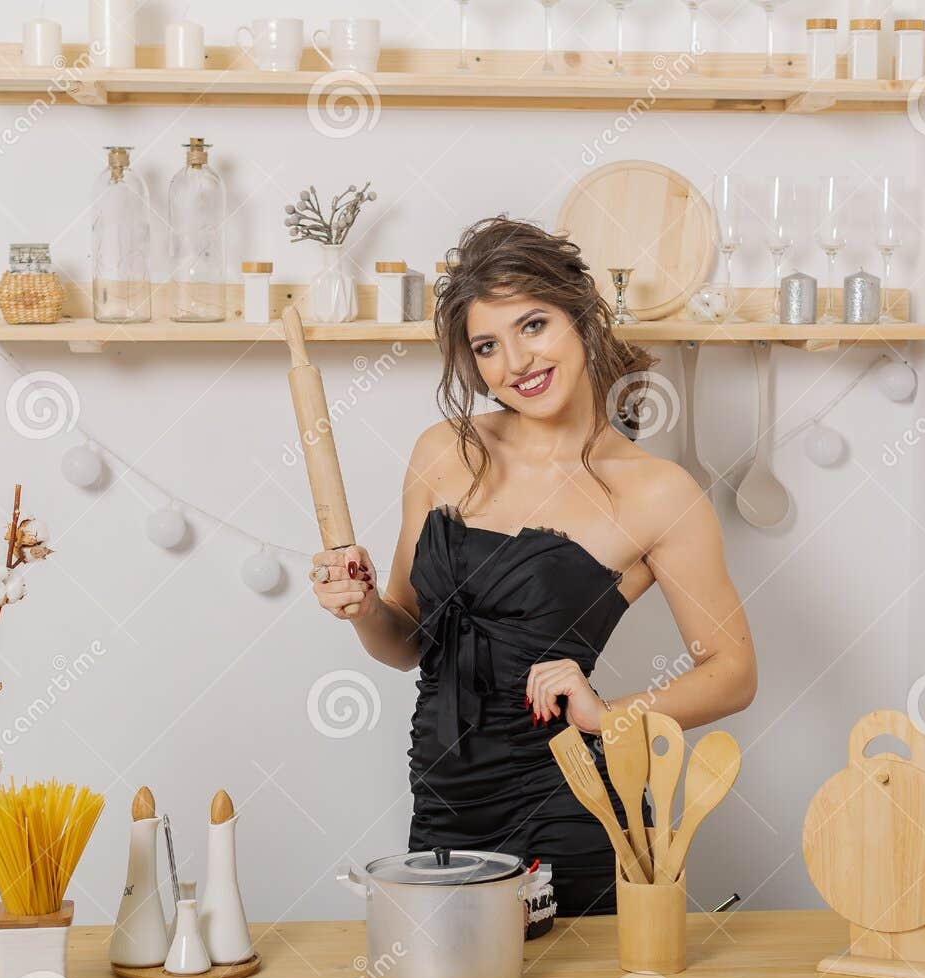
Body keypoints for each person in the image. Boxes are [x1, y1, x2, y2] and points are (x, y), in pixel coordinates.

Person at [309, 216, 756, 916]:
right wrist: (365, 608)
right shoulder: (441, 453)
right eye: (487, 345)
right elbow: (406, 645)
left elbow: (733, 672)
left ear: (581, 317)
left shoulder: (657, 492)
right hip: (443, 807)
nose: (515, 362)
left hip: (573, 808)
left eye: (533, 325)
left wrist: (609, 715)